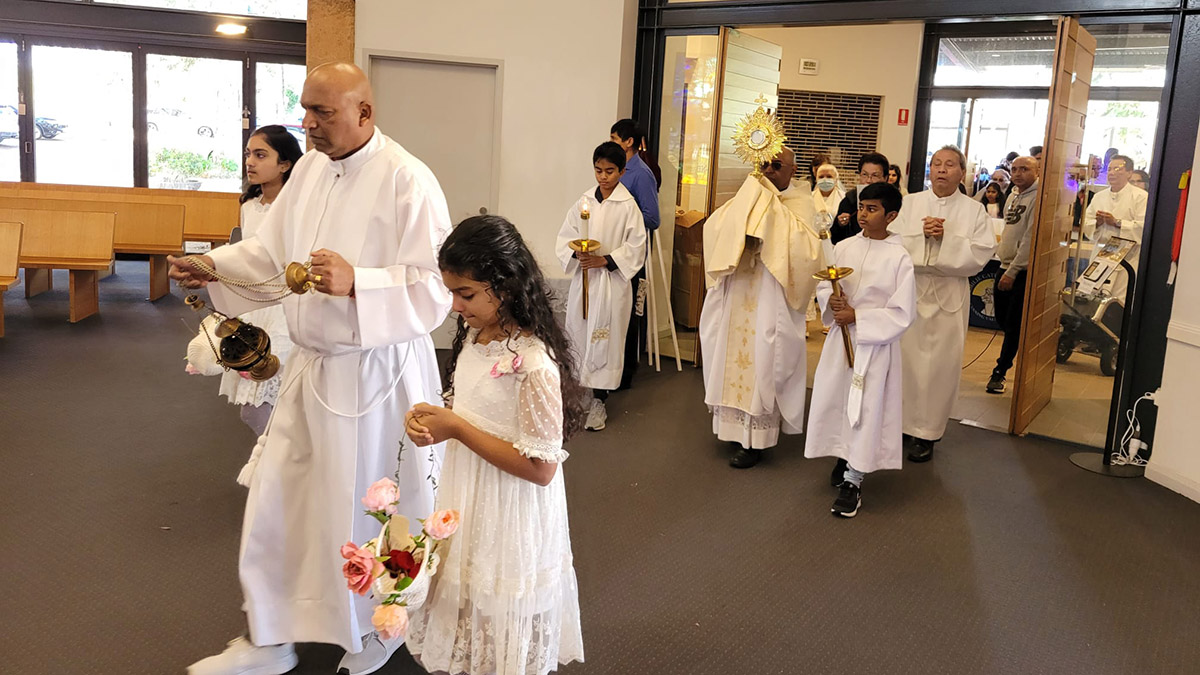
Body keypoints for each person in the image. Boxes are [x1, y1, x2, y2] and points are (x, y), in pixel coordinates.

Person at [171, 63, 452, 675]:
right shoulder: (310, 173)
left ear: (364, 112)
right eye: (305, 109)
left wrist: (361, 283)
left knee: (378, 507)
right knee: (280, 501)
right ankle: (270, 638)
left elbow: (436, 288)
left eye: (322, 112)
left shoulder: (409, 180)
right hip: (313, 368)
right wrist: (212, 267)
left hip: (379, 374)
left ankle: (378, 631)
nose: (308, 124)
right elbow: (271, 255)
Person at [403, 215, 586, 675]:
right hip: (470, 492)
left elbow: (542, 470)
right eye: (452, 292)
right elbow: (472, 402)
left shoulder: (533, 363)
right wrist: (434, 413)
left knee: (500, 600)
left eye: (465, 294)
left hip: (510, 505)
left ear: (504, 285)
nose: (454, 305)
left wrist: (458, 429)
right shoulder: (480, 335)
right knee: (469, 597)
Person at [700, 146, 823, 468]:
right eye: (764, 164)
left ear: (792, 170)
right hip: (740, 289)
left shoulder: (800, 202)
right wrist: (742, 221)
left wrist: (767, 219)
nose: (770, 171)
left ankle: (756, 440)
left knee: (764, 361)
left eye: (777, 165)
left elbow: (809, 251)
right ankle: (731, 429)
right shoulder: (747, 194)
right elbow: (714, 227)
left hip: (771, 297)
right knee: (731, 355)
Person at [805, 181, 916, 518]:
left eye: (872, 209)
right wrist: (831, 300)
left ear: (891, 215)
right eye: (861, 208)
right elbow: (826, 281)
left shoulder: (899, 257)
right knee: (837, 399)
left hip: (874, 347)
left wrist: (860, 316)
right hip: (841, 341)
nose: (863, 215)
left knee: (865, 408)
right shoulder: (845, 246)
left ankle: (854, 480)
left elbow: (903, 311)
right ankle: (843, 454)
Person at [891, 145, 996, 463]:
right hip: (912, 289)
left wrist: (944, 239)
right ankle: (903, 424)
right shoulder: (910, 203)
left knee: (940, 367)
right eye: (936, 163)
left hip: (949, 293)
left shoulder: (973, 209)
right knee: (905, 361)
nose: (941, 169)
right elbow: (892, 241)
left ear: (961, 172)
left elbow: (982, 252)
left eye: (950, 164)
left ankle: (928, 433)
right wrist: (921, 236)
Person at [556, 142, 646, 431]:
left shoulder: (628, 206)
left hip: (611, 284)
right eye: (598, 170)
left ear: (621, 171)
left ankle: (599, 400)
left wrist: (605, 260)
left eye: (609, 171)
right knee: (579, 332)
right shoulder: (584, 201)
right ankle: (577, 393)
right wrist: (577, 253)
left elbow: (636, 247)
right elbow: (566, 236)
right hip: (585, 282)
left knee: (605, 338)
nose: (603, 177)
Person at [222, 126, 303, 436]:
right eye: (248, 154)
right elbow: (246, 257)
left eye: (260, 154)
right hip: (254, 308)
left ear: (284, 164)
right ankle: (275, 469)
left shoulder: (296, 208)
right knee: (256, 407)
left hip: (284, 307)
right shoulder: (249, 207)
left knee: (269, 402)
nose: (250, 162)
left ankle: (277, 470)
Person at [610, 119, 660, 391]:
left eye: (615, 138)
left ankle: (625, 371)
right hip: (613, 249)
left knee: (628, 310)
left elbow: (652, 218)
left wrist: (623, 214)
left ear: (628, 142)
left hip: (631, 252)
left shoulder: (641, 174)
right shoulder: (618, 171)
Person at [987, 156, 1040, 394]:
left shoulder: (1037, 197)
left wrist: (1013, 270)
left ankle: (1000, 371)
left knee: (1013, 326)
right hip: (1003, 264)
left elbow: (1030, 238)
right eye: (1015, 169)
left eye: (1025, 169)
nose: (1018, 174)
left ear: (1037, 171)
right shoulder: (1012, 195)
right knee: (1001, 319)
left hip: (1019, 271)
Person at [1083, 154, 1148, 299]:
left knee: (1118, 302)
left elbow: (1144, 228)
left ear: (1129, 173)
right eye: (1109, 169)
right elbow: (1086, 222)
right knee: (1093, 297)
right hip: (1101, 253)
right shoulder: (1099, 196)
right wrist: (1098, 222)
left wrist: (1117, 223)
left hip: (1127, 256)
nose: (1112, 173)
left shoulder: (1141, 197)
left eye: (1118, 169)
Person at [833, 152, 890, 244]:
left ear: (885, 178)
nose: (868, 180)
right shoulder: (850, 200)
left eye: (875, 175)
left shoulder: (892, 201)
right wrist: (840, 224)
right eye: (864, 175)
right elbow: (835, 238)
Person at [812, 161, 845, 229]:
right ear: (816, 179)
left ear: (836, 179)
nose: (825, 179)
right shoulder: (809, 197)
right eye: (821, 177)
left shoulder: (844, 197)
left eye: (829, 176)